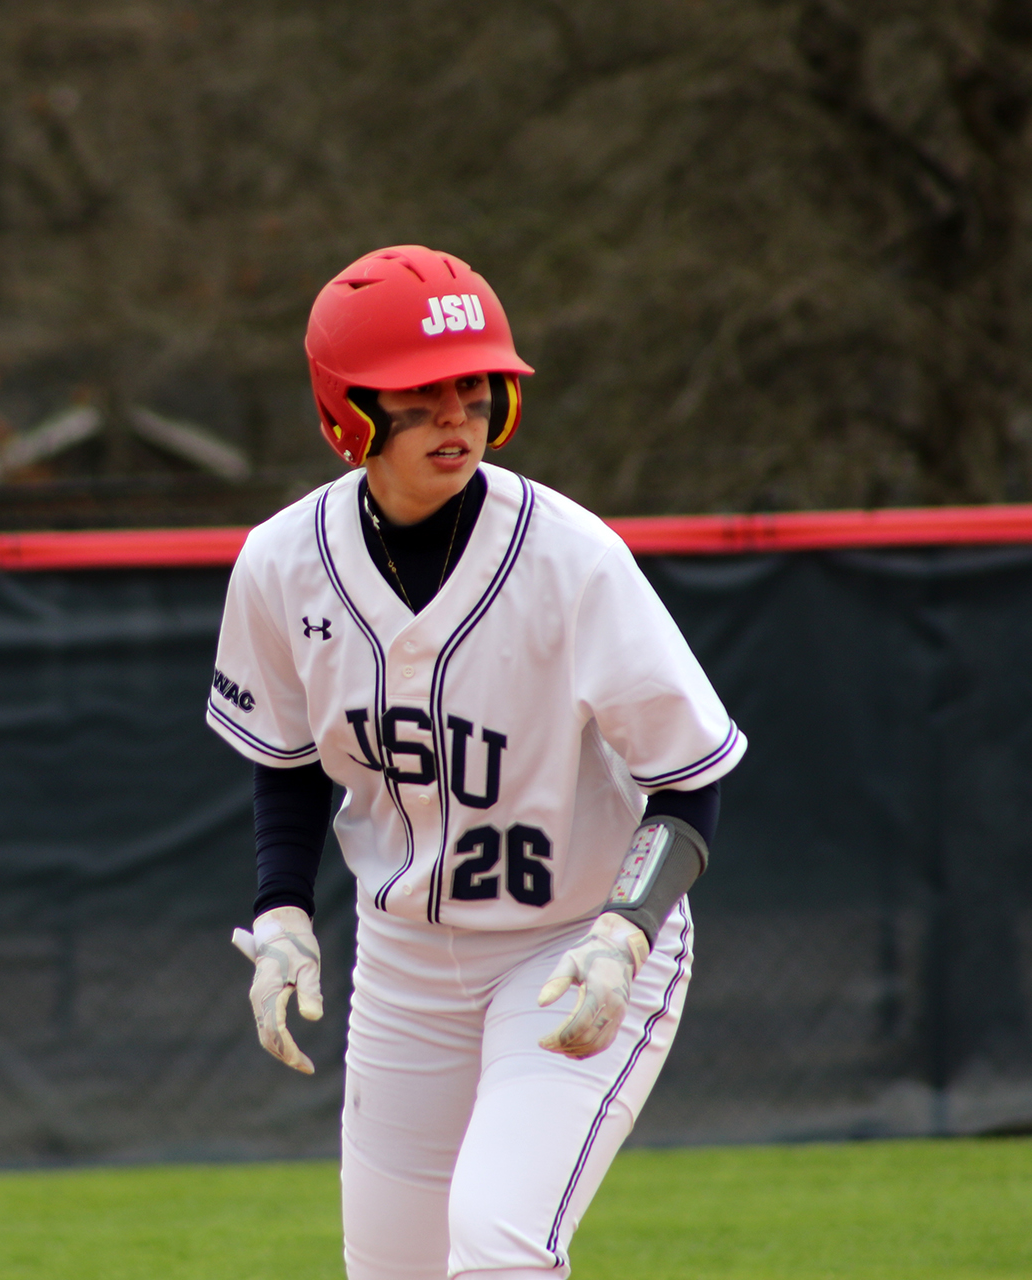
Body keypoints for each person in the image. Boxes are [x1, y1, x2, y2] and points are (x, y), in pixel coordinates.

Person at [210, 244, 744, 1280]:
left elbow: (689, 778)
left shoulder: (571, 558)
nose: (455, 414)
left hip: (571, 942)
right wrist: (281, 915)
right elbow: (291, 759)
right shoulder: (281, 563)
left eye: (473, 387)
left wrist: (627, 932)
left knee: (499, 1242)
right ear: (348, 413)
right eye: (419, 396)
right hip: (404, 958)